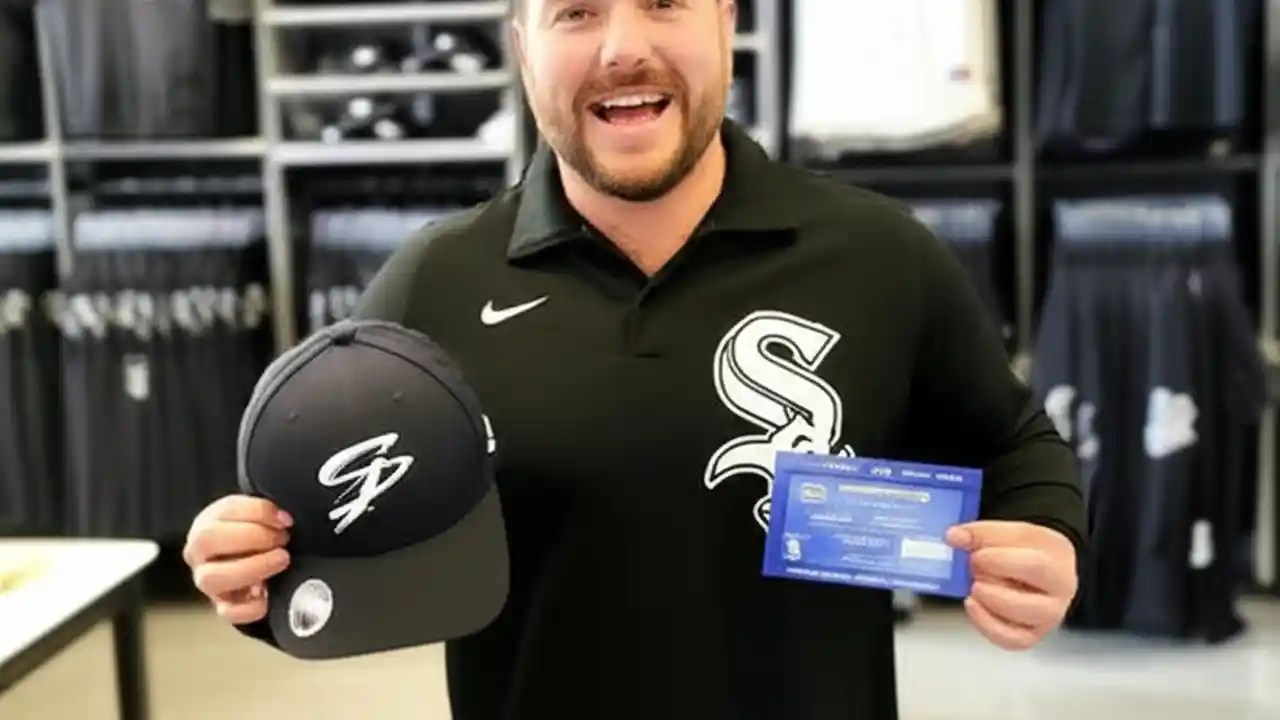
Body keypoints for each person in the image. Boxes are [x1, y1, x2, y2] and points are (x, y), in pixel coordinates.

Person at [183, 1, 1087, 717]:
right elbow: (329, 552)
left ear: (725, 20)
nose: (623, 47)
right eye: (575, 12)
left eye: (663, 2)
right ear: (523, 46)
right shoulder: (434, 284)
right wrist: (256, 571)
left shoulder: (880, 254)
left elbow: (1016, 443)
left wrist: (1044, 531)